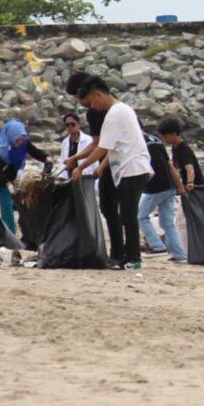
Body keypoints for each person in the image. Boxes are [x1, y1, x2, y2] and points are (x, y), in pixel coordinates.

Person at [65, 77, 152, 270]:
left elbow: (102, 147)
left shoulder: (114, 114)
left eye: (92, 102)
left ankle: (133, 259)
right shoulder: (123, 109)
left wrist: (80, 166)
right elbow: (107, 147)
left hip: (133, 168)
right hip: (130, 167)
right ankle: (125, 257)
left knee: (128, 215)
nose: (93, 107)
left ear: (97, 94)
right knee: (126, 213)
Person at [66, 72, 119, 257]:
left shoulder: (96, 111)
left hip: (113, 165)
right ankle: (120, 252)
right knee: (119, 210)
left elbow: (101, 145)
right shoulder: (113, 101)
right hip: (119, 161)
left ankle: (118, 253)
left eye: (77, 98)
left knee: (110, 208)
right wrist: (76, 158)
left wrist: (81, 163)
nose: (79, 103)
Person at [0, 119, 53, 235]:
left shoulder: (23, 144)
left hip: (7, 180)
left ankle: (10, 235)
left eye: (22, 138)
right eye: (17, 139)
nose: (20, 141)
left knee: (7, 209)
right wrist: (7, 182)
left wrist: (45, 158)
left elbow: (34, 152)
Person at [137, 127, 186, 263]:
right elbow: (169, 165)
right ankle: (179, 254)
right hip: (169, 185)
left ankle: (157, 246)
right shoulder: (157, 141)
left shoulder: (139, 142)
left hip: (155, 186)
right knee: (167, 223)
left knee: (141, 217)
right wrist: (178, 185)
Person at [58, 112, 94, 183]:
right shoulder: (65, 142)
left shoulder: (89, 141)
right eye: (67, 125)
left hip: (85, 177)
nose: (70, 127)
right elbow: (62, 162)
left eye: (73, 124)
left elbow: (93, 163)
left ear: (78, 125)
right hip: (69, 178)